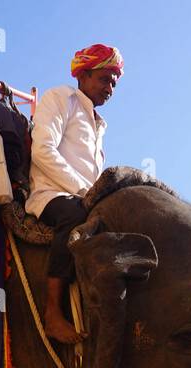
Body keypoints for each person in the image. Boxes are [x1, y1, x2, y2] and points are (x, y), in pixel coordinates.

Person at [26, 43, 123, 344]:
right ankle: (53, 312)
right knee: (76, 217)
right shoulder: (60, 99)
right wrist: (84, 193)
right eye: (105, 79)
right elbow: (42, 150)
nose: (110, 87)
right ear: (83, 76)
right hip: (53, 194)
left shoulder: (99, 125)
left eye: (115, 83)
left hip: (86, 199)